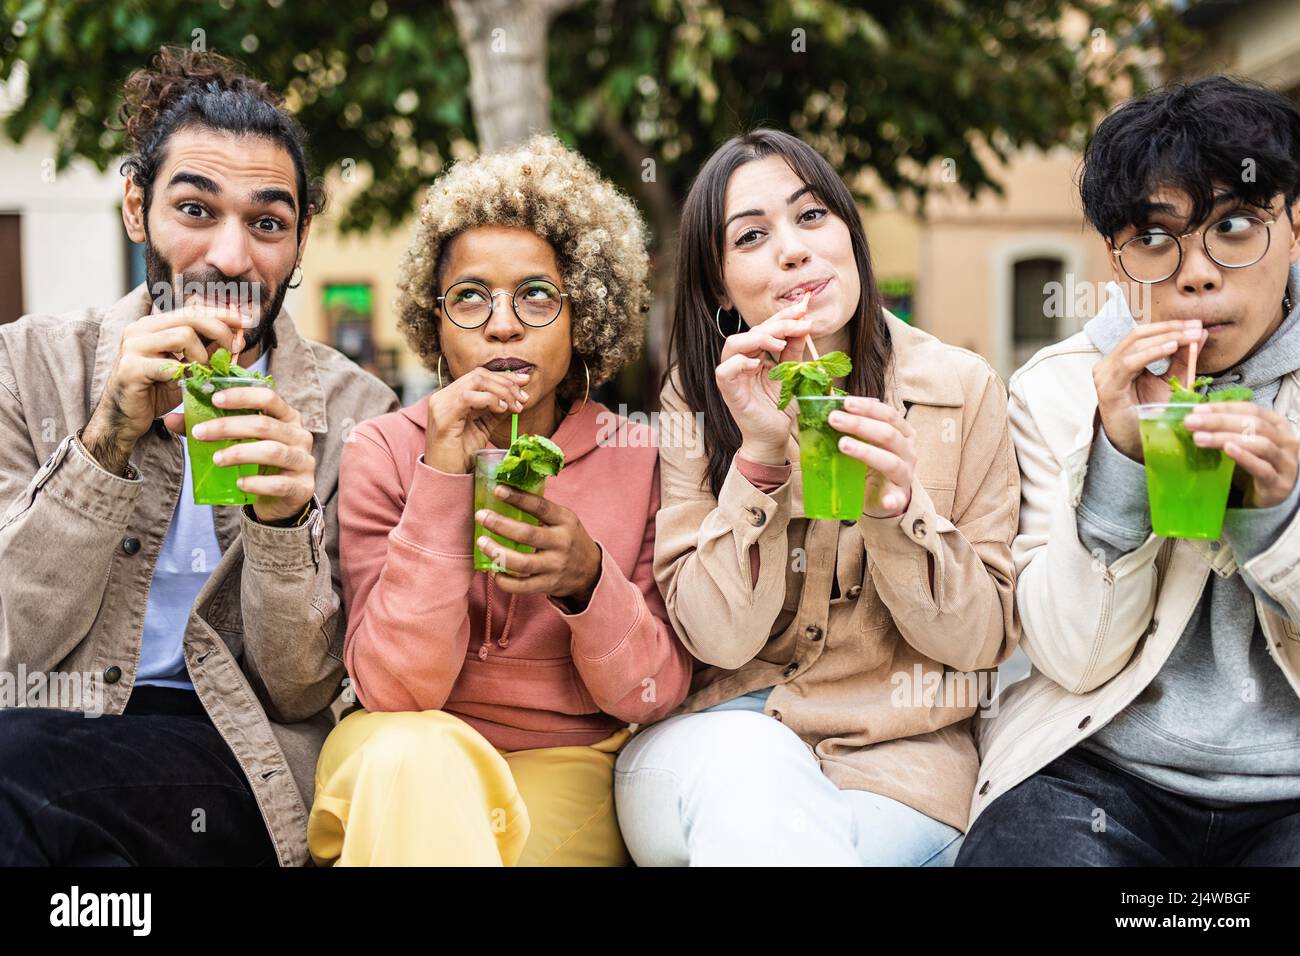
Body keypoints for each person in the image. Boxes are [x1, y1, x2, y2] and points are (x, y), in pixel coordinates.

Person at [0, 46, 398, 866]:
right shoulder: (29, 367)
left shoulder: (360, 415)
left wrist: (285, 521)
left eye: (266, 223)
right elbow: (14, 648)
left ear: (301, 237)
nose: (229, 257)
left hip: (234, 757)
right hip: (47, 723)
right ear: (135, 208)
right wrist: (105, 441)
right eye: (195, 210)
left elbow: (300, 689)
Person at [613, 128, 1020, 866]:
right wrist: (762, 458)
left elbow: (977, 643)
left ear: (849, 236)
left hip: (898, 764)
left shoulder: (963, 391)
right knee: (754, 776)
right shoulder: (697, 399)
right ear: (718, 288)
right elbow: (717, 638)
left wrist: (897, 511)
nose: (793, 251)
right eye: (751, 236)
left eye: (811, 217)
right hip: (717, 738)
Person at [306, 135, 694, 866]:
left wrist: (589, 582)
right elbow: (393, 689)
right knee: (414, 765)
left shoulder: (642, 457)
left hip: (565, 760)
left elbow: (651, 693)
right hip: (400, 741)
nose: (503, 323)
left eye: (537, 295)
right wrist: (443, 476)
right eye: (471, 297)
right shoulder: (382, 451)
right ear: (436, 322)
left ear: (587, 313)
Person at [961, 76, 1300, 866]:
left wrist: (1276, 516)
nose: (1197, 274)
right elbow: (1071, 658)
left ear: (1295, 226)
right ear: (1115, 258)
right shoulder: (1057, 387)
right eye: (1154, 238)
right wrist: (1115, 461)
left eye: (1238, 225)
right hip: (1102, 772)